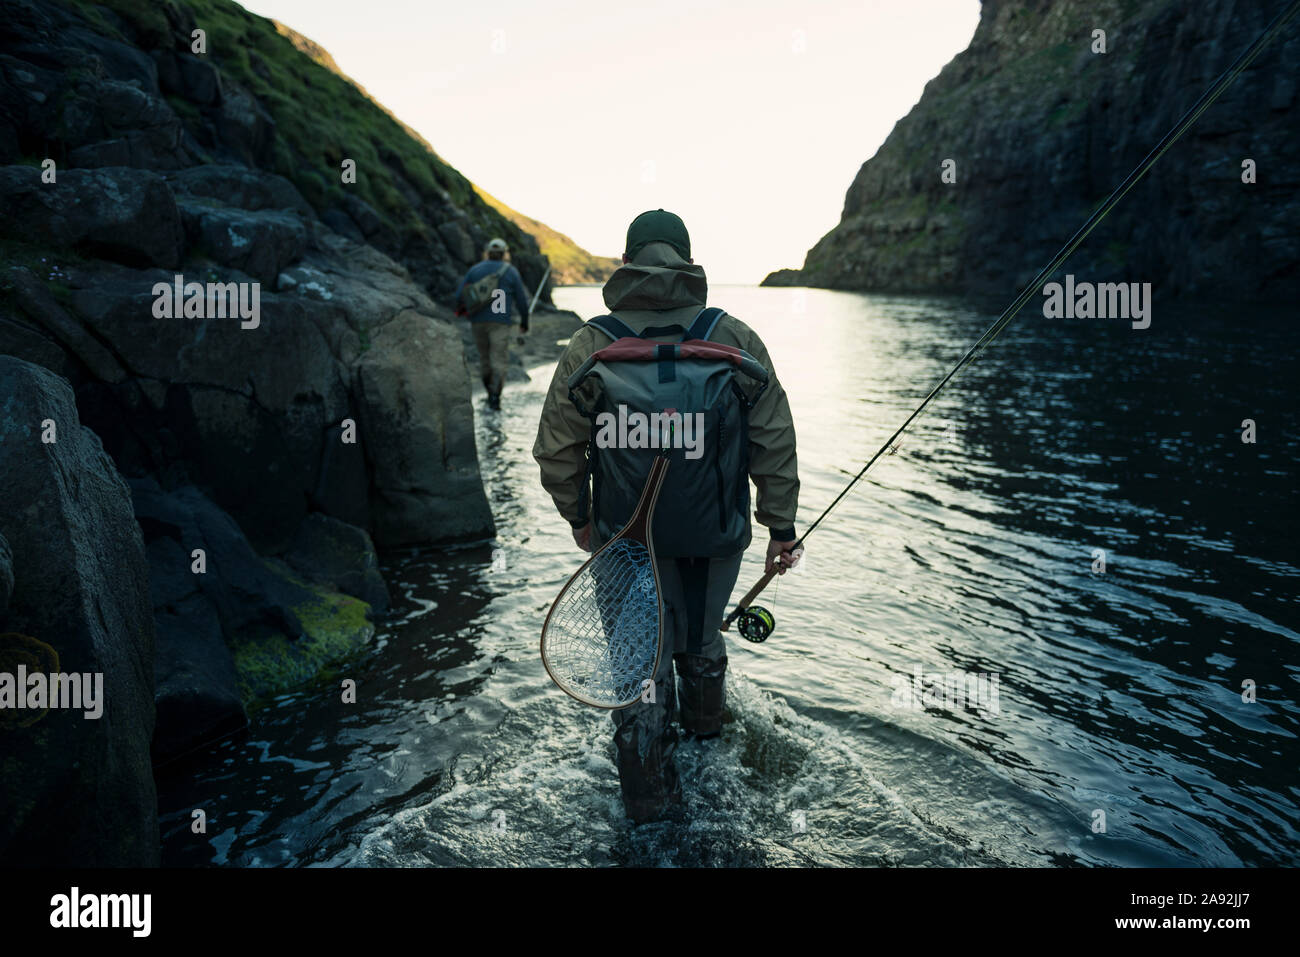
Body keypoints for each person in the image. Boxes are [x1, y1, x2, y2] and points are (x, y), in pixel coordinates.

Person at [533, 209, 802, 823]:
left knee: (640, 671)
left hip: (624, 544)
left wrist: (579, 517)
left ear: (626, 262)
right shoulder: (734, 335)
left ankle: (651, 814)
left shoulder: (591, 342)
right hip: (715, 538)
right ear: (687, 260)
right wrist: (780, 528)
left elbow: (556, 449)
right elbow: (774, 439)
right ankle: (712, 755)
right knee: (704, 644)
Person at [453, 238, 530, 410]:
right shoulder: (511, 271)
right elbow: (521, 301)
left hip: (477, 321)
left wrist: (465, 310)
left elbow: (459, 296)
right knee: (498, 360)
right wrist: (524, 322)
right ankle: (495, 397)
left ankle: (488, 393)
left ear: (487, 252)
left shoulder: (474, 270)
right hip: (500, 323)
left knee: (484, 359)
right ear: (504, 253)